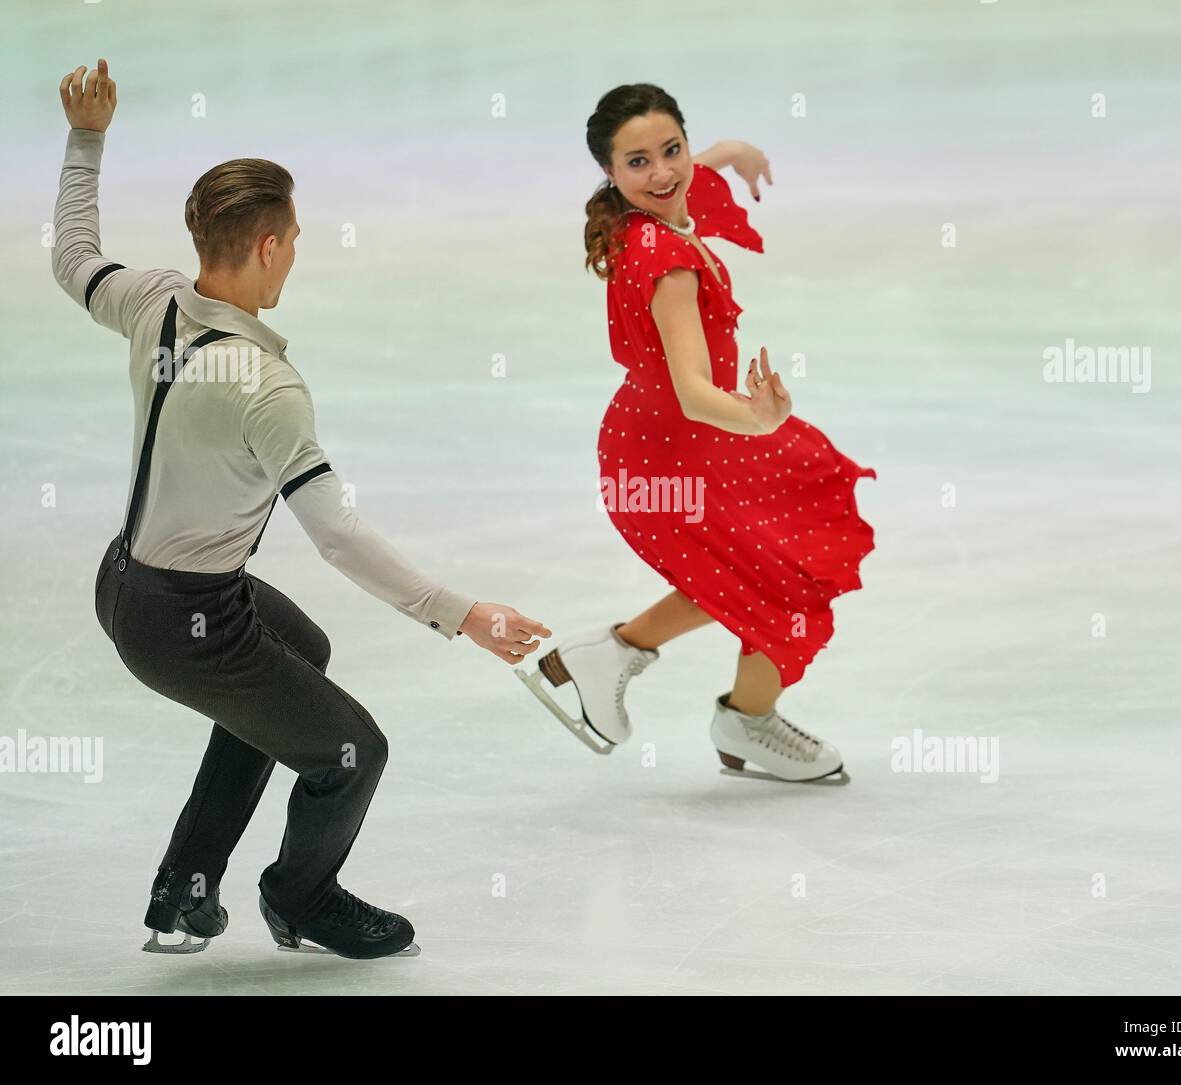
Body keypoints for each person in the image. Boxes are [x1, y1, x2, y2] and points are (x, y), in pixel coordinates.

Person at [55, 59, 550, 959]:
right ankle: (302, 896)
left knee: (304, 657)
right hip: (186, 619)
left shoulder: (152, 300)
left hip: (124, 579)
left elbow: (73, 259)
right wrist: (464, 614)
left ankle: (185, 886)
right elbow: (338, 536)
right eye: (296, 238)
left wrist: (87, 140)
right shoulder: (267, 385)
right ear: (270, 246)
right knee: (353, 749)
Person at [518, 84, 875, 783]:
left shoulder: (654, 214)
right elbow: (692, 391)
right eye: (638, 162)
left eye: (672, 149)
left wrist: (732, 151)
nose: (663, 173)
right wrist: (761, 419)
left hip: (676, 442)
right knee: (774, 575)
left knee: (772, 565)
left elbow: (686, 183)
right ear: (612, 176)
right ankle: (739, 714)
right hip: (667, 452)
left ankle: (635, 663)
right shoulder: (668, 261)